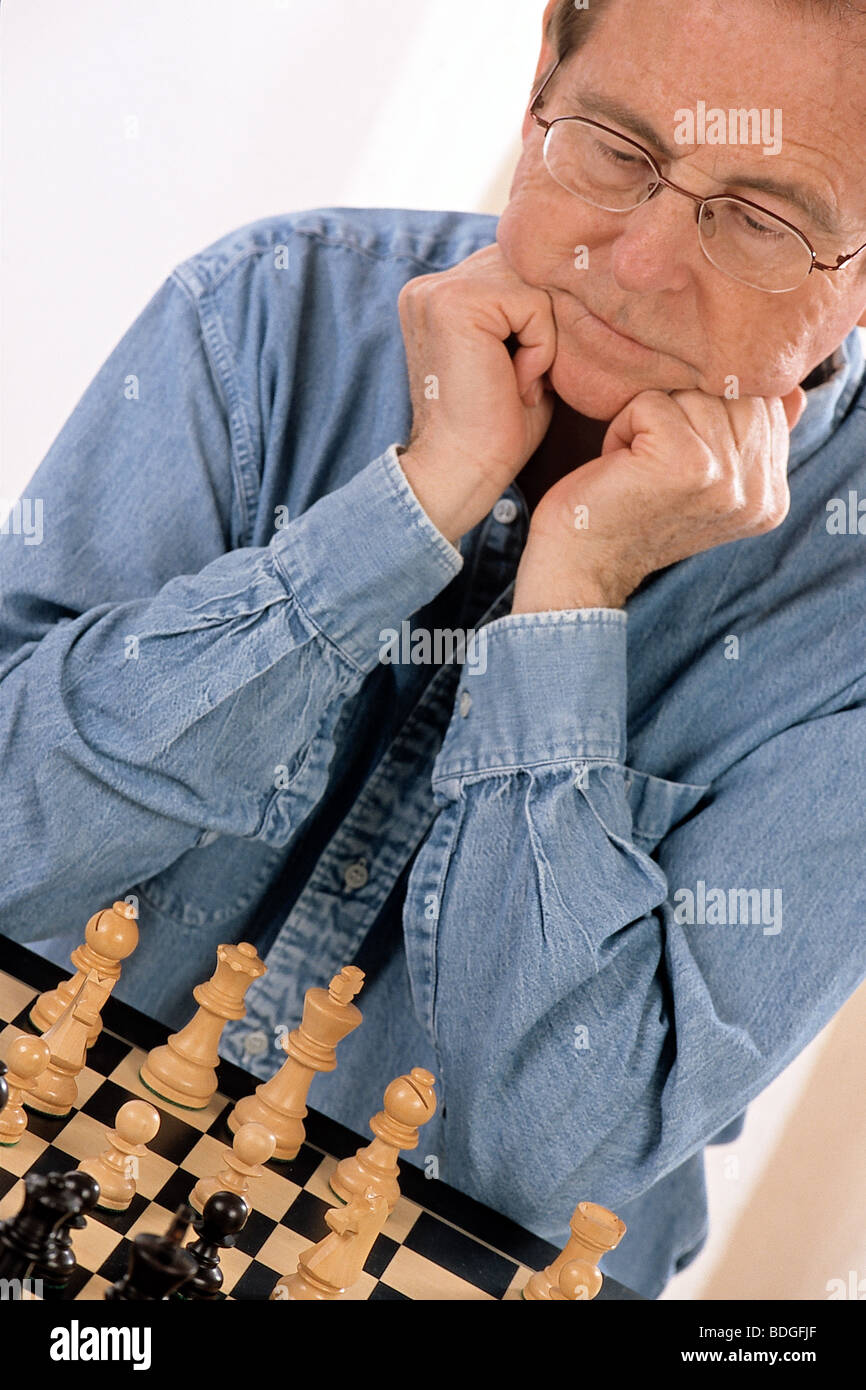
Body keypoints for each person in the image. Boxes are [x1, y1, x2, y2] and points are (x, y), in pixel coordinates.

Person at [1, 0, 865, 1298]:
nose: (630, 264)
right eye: (614, 152)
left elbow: (544, 1148)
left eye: (754, 218)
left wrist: (572, 597)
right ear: (534, 89)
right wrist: (410, 506)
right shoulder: (263, 312)